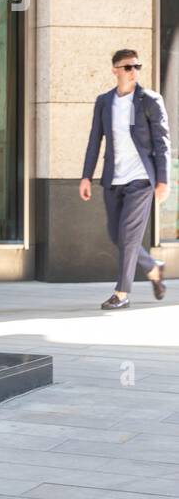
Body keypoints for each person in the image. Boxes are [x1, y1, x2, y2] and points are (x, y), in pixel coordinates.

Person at [80, 48, 171, 309]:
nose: (134, 72)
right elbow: (94, 140)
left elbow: (162, 143)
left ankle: (122, 293)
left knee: (129, 236)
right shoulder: (105, 102)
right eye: (128, 67)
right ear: (115, 70)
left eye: (137, 67)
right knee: (115, 234)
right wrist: (86, 176)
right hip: (113, 177)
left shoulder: (149, 100)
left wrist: (163, 179)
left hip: (141, 178)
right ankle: (153, 268)